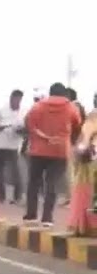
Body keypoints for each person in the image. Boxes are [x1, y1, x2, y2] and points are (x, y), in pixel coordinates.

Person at [23, 82, 82, 227]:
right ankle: (47, 218)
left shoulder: (38, 107)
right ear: (64, 94)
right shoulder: (71, 108)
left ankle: (31, 215)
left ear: (50, 93)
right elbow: (78, 126)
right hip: (60, 151)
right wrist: (69, 140)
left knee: (34, 182)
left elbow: (29, 124)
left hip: (38, 150)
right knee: (52, 184)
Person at [0, 89, 25, 204]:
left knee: (15, 172)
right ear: (11, 98)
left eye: (18, 100)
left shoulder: (23, 112)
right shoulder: (1, 110)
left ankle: (17, 197)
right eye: (14, 99)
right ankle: (0, 196)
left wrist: (21, 131)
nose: (15, 102)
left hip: (14, 146)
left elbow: (27, 128)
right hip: (0, 144)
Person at [68, 107, 97, 237]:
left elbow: (82, 142)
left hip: (88, 162)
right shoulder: (92, 119)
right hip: (91, 162)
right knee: (88, 194)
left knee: (84, 193)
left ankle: (82, 225)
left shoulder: (91, 119)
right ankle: (87, 225)